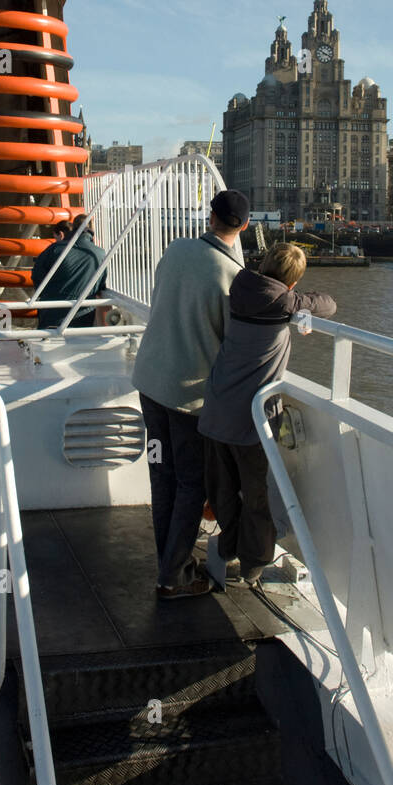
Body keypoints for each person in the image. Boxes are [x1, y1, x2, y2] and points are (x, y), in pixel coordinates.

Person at [132, 189, 249, 600]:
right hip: (188, 398)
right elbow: (234, 344)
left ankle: (170, 562)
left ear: (210, 216)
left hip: (150, 384)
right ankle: (172, 576)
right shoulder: (234, 275)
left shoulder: (177, 248)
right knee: (190, 485)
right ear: (245, 226)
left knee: (160, 474)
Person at [197, 242, 336, 584]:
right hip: (251, 418)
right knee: (258, 495)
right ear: (292, 281)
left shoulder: (241, 284)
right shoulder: (283, 302)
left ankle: (227, 549)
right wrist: (299, 301)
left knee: (223, 490)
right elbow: (329, 305)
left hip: (217, 408)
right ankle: (253, 564)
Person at [30, 214, 107, 328]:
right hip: (84, 315)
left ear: (74, 227)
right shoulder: (100, 254)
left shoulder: (55, 249)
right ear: (91, 228)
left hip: (51, 313)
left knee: (48, 343)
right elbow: (100, 285)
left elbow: (36, 275)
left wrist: (49, 293)